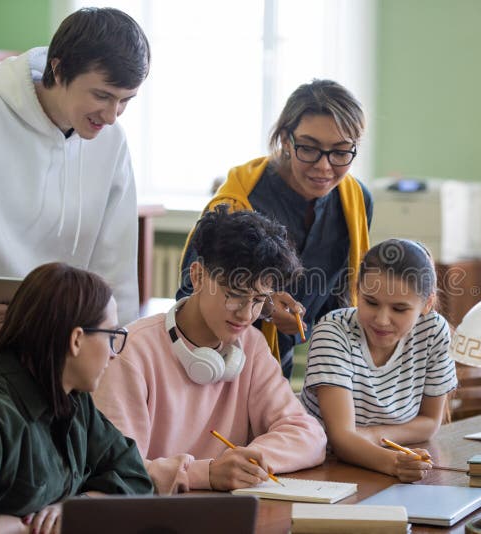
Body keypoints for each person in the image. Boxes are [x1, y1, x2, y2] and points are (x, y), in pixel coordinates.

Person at [0, 7, 150, 395]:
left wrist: (117, 351)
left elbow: (114, 265)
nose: (113, 116)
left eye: (125, 100)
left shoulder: (112, 144)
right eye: (102, 95)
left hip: (50, 359)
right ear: (59, 69)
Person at [94, 207, 327, 494]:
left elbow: (309, 436)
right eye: (234, 295)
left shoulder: (251, 346)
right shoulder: (131, 352)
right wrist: (206, 473)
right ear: (198, 276)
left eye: (258, 300)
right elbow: (116, 469)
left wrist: (247, 462)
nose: (245, 314)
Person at [0, 262, 153, 534]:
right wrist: (24, 527)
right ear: (77, 340)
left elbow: (136, 478)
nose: (113, 353)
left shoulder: (74, 398)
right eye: (111, 336)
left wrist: (71, 508)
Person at [176, 79, 372, 378]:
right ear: (285, 139)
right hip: (218, 362)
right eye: (309, 148)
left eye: (341, 151)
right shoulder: (238, 202)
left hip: (279, 368)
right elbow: (192, 295)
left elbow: (337, 297)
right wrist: (265, 306)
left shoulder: (355, 203)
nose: (324, 166)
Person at [300, 239, 457, 483]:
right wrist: (394, 462)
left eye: (399, 309)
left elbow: (429, 423)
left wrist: (373, 436)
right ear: (357, 291)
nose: (382, 320)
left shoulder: (434, 330)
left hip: (389, 463)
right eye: (371, 302)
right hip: (326, 469)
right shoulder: (332, 332)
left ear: (426, 304)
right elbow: (340, 439)